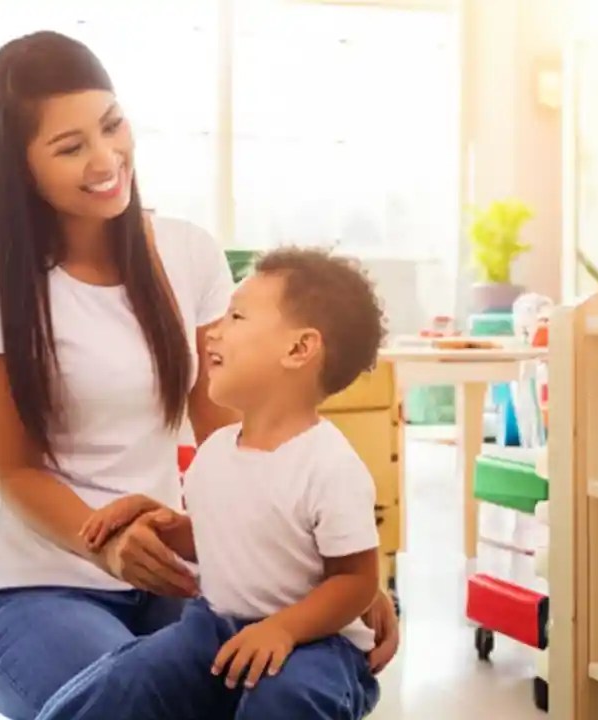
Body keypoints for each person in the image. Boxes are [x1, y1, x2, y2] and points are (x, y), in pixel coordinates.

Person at [0, 30, 399, 720]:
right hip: (34, 584)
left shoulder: (187, 254)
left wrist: (342, 574)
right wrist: (107, 543)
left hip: (178, 573)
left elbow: (242, 438)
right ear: (20, 168)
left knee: (273, 684)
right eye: (70, 148)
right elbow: (14, 471)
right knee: (134, 701)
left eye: (112, 126)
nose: (107, 160)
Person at [38, 248, 388, 720]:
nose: (213, 332)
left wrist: (283, 629)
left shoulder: (330, 466)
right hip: (215, 625)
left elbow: (355, 580)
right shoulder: (216, 452)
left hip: (319, 644)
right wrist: (158, 523)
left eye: (236, 316)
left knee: (286, 697)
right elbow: (222, 540)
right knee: (127, 679)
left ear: (299, 349)